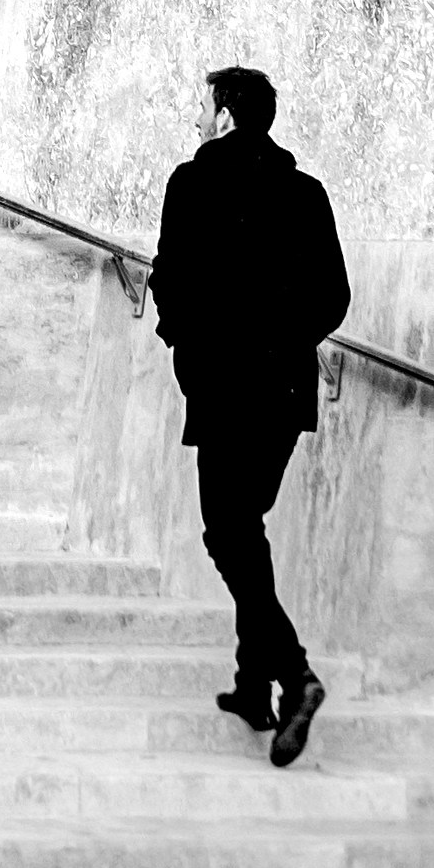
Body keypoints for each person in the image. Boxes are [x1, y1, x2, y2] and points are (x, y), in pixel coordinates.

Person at [147, 64, 352, 768]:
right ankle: (249, 685)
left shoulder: (191, 181)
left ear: (227, 115)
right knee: (245, 529)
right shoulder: (305, 193)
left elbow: (167, 279)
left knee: (225, 533)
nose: (197, 122)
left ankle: (294, 676)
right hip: (285, 393)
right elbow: (333, 296)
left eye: (202, 110)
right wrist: (285, 344)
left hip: (225, 387)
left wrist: (190, 344)